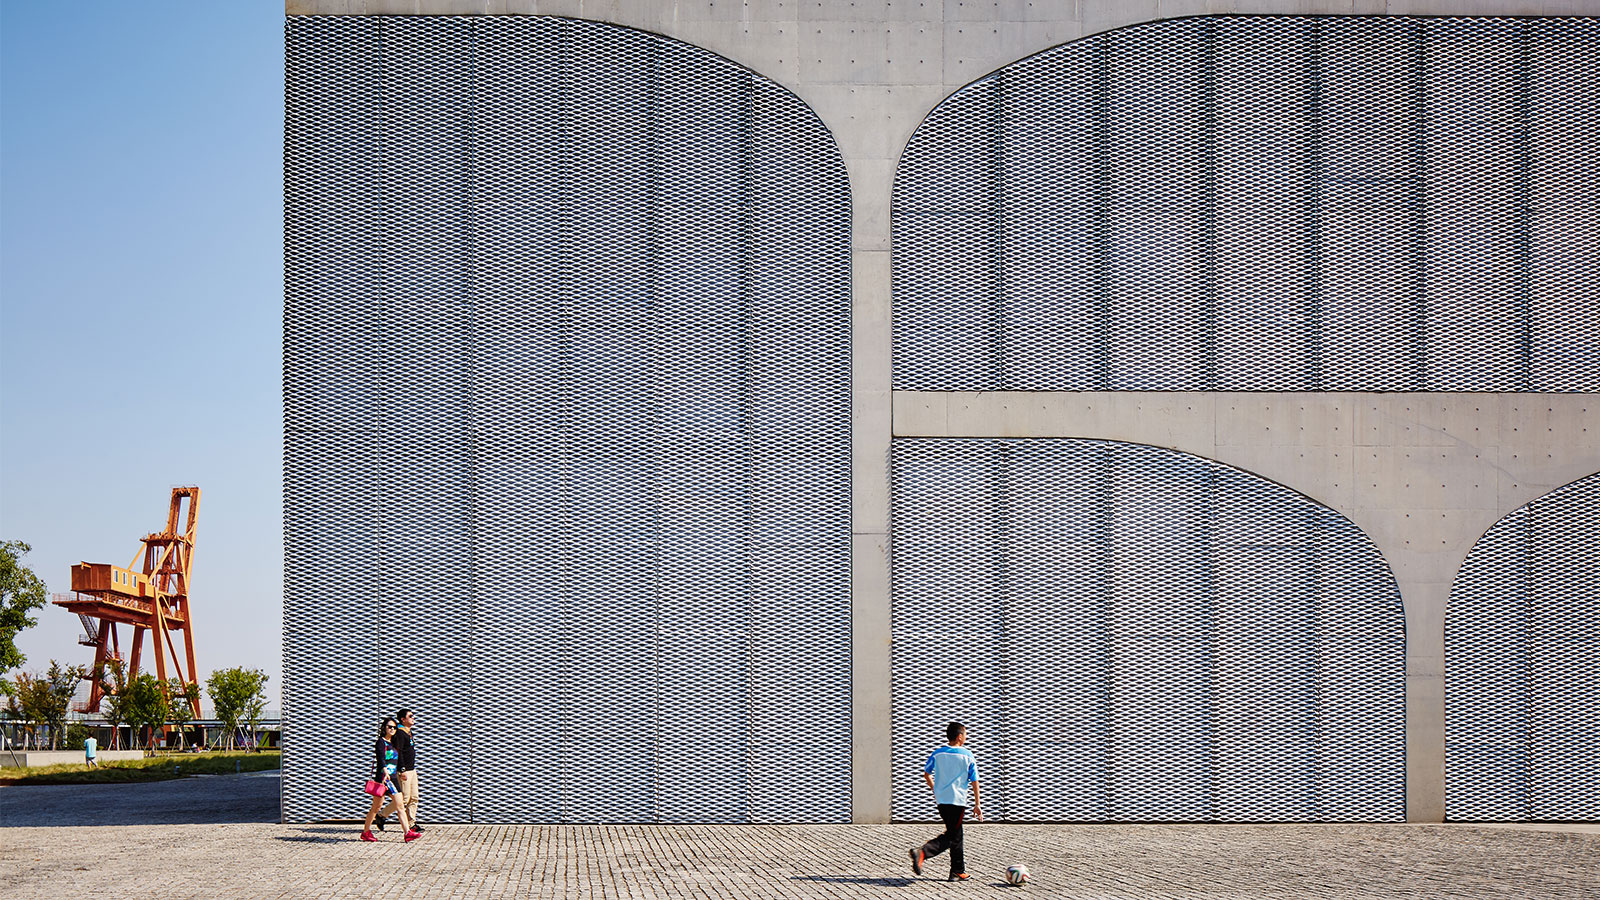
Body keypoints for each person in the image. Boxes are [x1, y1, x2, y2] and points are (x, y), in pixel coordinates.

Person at [908, 721, 982, 882]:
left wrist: (935, 789)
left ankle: (957, 871)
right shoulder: (967, 755)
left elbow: (926, 774)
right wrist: (977, 804)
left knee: (956, 833)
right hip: (958, 800)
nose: (966, 737)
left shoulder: (937, 753)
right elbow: (974, 780)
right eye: (966, 734)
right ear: (960, 736)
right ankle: (923, 852)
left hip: (941, 801)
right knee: (953, 836)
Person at [361, 717, 418, 843]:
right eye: (389, 727)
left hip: (393, 779)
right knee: (376, 808)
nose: (392, 729)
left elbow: (398, 759)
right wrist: (385, 770)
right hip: (383, 779)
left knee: (400, 806)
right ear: (384, 728)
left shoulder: (394, 743)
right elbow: (380, 758)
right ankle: (365, 832)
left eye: (394, 727)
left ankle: (407, 833)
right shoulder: (381, 742)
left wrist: (401, 771)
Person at [377, 708, 421, 833]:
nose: (413, 718)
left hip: (412, 770)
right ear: (403, 719)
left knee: (414, 798)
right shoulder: (400, 733)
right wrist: (402, 769)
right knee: (405, 799)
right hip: (405, 770)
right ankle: (381, 815)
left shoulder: (408, 732)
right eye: (410, 716)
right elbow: (398, 752)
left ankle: (412, 824)